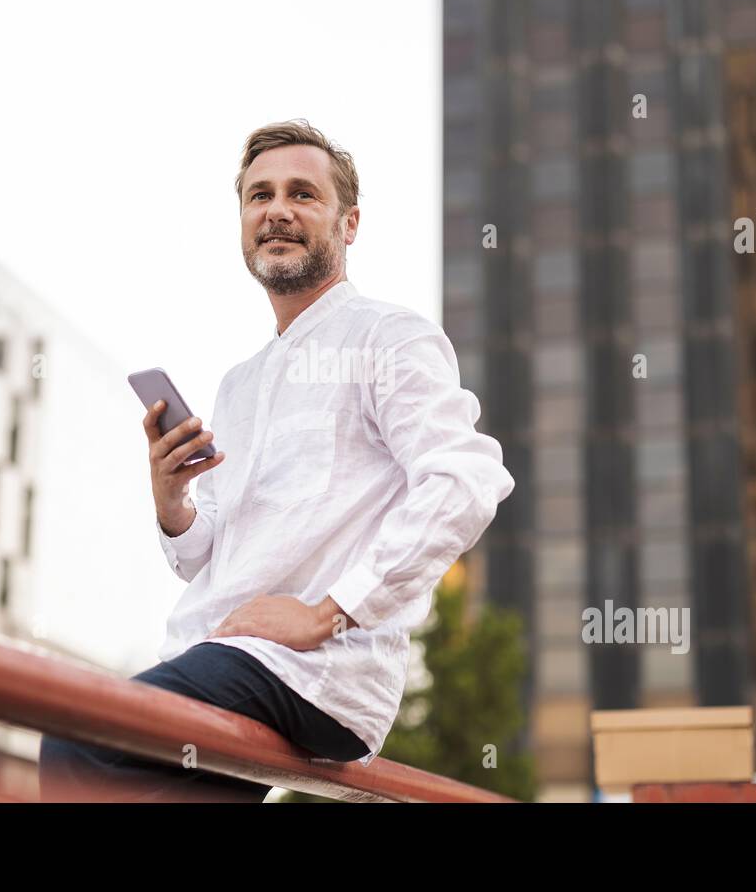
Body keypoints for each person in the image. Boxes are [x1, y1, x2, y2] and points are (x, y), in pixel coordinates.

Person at [39, 119, 515, 801]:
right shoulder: (240, 382)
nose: (278, 210)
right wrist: (172, 505)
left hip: (312, 674)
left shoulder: (389, 338)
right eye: (259, 196)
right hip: (222, 658)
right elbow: (213, 551)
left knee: (79, 737)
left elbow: (465, 481)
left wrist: (329, 611)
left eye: (302, 194)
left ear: (349, 225)